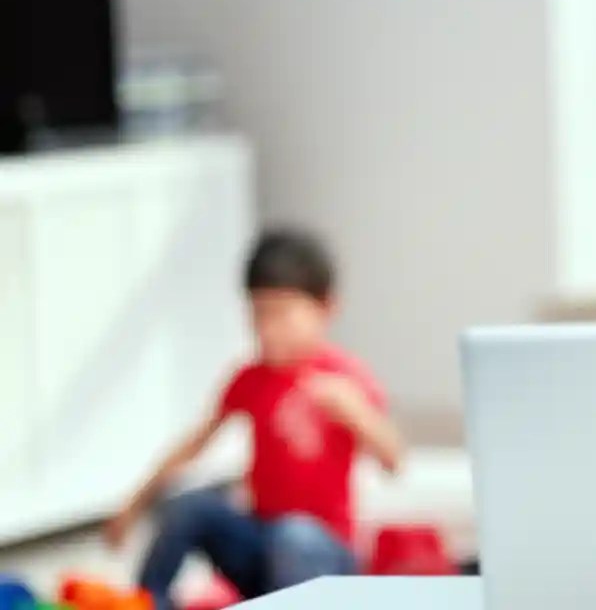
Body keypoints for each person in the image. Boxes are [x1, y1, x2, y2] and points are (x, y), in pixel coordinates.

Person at [104, 228, 404, 609]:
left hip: (324, 556)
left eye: (281, 314)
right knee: (192, 506)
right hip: (261, 548)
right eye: (258, 314)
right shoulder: (251, 378)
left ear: (326, 308)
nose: (267, 329)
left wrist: (357, 414)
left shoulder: (346, 376)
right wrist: (133, 505)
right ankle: (147, 602)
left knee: (292, 536)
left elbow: (394, 460)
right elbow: (194, 443)